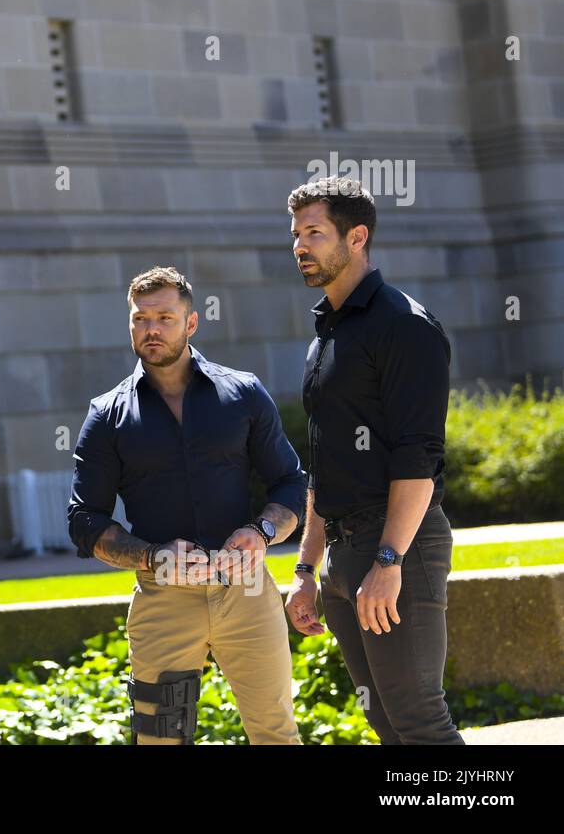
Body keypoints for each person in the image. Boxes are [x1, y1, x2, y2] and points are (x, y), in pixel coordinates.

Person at [67, 266, 306, 745]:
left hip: (246, 590)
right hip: (163, 595)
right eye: (140, 319)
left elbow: (290, 484)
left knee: (276, 734)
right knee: (160, 741)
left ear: (191, 323)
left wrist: (260, 533)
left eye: (164, 317)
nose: (151, 329)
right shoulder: (107, 415)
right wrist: (154, 556)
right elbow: (85, 520)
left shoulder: (242, 394)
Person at [282, 176, 463, 745]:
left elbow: (419, 458)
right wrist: (307, 571)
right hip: (340, 551)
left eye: (315, 232)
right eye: (295, 234)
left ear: (356, 236)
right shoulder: (326, 334)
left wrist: (390, 561)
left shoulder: (403, 325)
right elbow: (324, 465)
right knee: (387, 724)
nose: (300, 245)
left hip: (396, 547)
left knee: (420, 723)